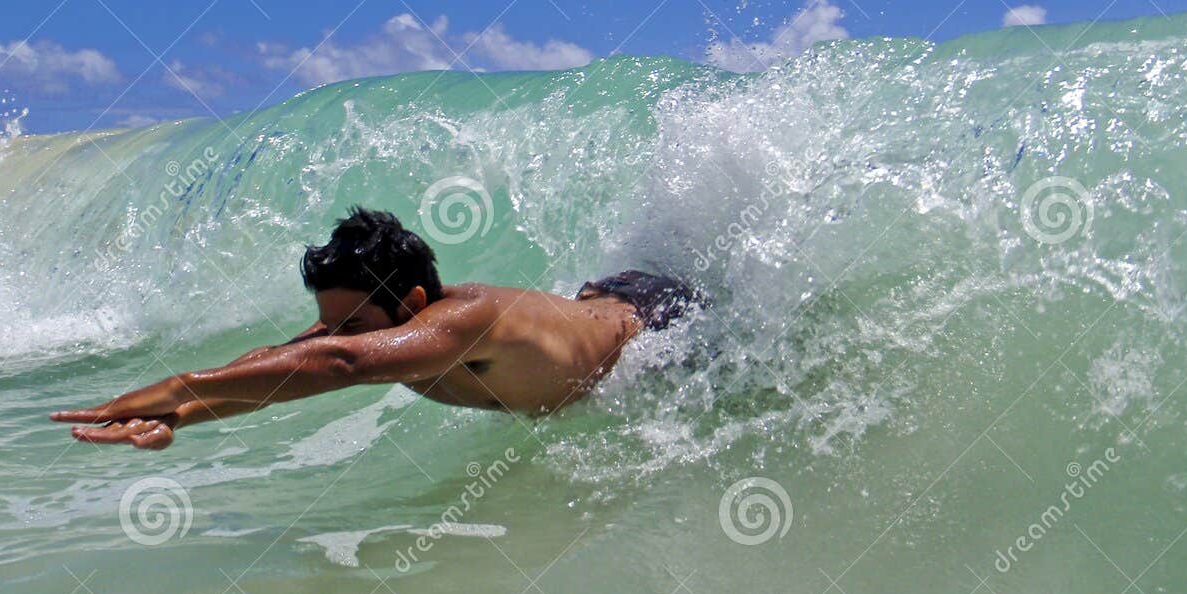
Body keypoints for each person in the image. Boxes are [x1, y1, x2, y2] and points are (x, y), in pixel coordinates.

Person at [51, 207, 703, 449]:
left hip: (659, 322)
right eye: (329, 322)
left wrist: (177, 385)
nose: (334, 336)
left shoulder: (461, 324)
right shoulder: (374, 329)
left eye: (352, 324)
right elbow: (290, 357)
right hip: (595, 301)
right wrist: (179, 418)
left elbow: (343, 365)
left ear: (412, 300)